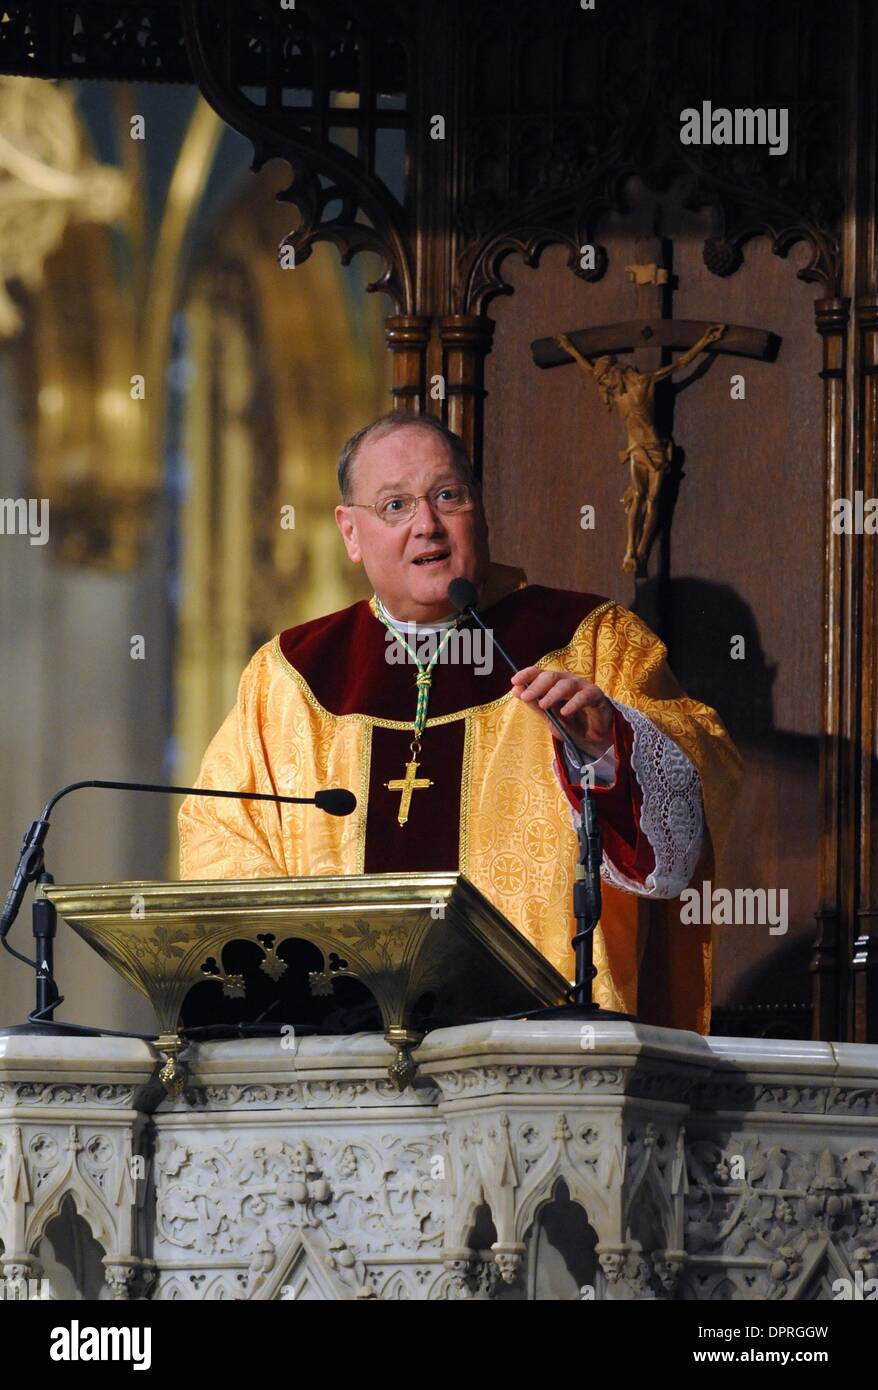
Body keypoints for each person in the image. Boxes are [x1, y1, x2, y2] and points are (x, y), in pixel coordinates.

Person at [178, 411, 741, 1031]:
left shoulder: (590, 643)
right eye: (394, 506)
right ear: (350, 532)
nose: (427, 525)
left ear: (479, 506)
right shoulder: (289, 673)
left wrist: (610, 750)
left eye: (448, 496)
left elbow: (697, 792)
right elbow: (220, 839)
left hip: (540, 1053)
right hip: (337, 1059)